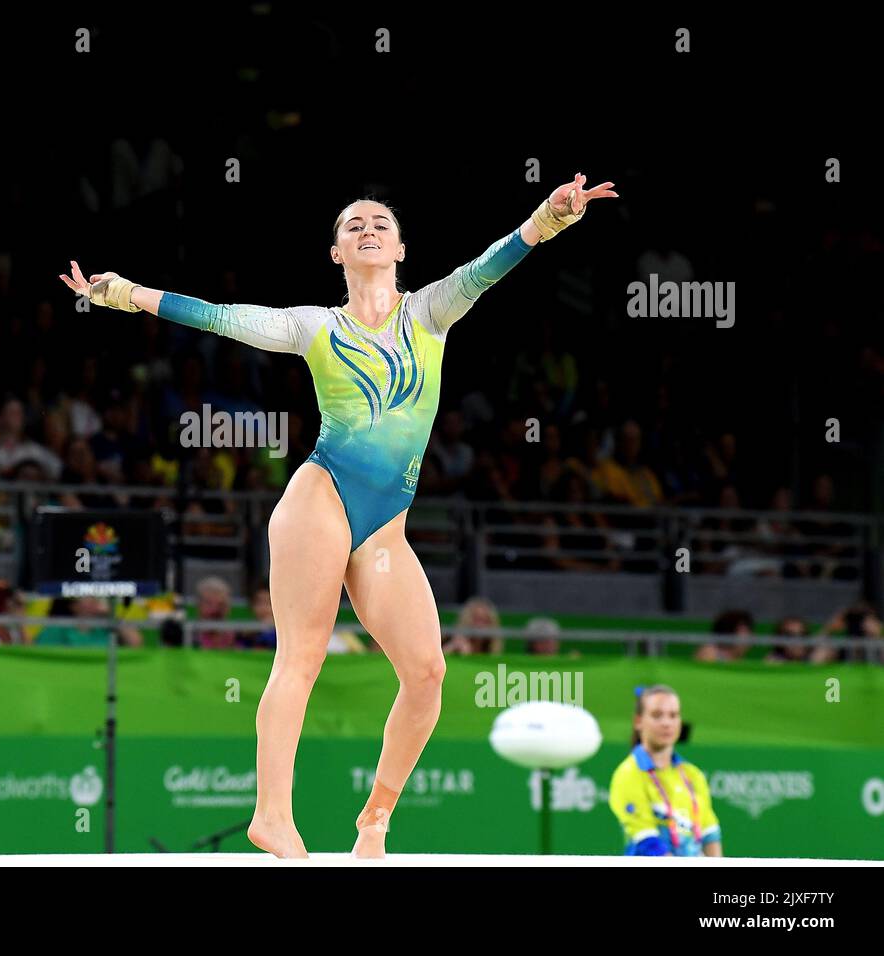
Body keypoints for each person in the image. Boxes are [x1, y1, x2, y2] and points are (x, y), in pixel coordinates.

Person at [61, 173, 617, 858]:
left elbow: (489, 267)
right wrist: (126, 294)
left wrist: (548, 218)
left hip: (386, 526)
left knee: (427, 673)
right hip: (321, 497)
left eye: (379, 221)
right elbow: (221, 314)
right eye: (352, 224)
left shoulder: (431, 313)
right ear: (336, 255)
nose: (367, 228)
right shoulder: (314, 327)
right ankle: (272, 815)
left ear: (401, 247)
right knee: (301, 658)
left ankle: (375, 820)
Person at [609, 684, 722, 857]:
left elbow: (710, 836)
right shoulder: (628, 774)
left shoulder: (693, 774)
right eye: (657, 715)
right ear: (638, 721)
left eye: (673, 715)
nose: (666, 723)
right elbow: (649, 844)